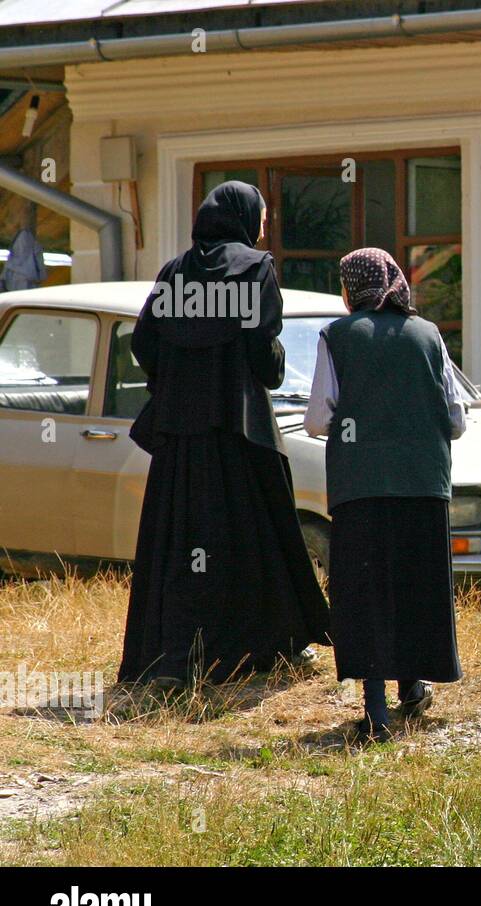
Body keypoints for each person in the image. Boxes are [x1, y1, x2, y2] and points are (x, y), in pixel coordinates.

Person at [120, 181, 329, 687]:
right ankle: (259, 648)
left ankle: (175, 658)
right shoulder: (257, 269)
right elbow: (264, 351)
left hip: (180, 439)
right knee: (252, 540)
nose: (262, 225)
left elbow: (144, 342)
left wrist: (177, 379)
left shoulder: (174, 272)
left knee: (184, 543)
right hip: (239, 435)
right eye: (260, 216)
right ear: (245, 217)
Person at [305, 248, 467, 742]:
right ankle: (412, 689)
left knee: (367, 590)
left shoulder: (337, 335)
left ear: (350, 290)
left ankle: (376, 712)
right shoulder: (428, 334)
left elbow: (316, 420)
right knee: (415, 586)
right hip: (423, 483)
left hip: (361, 487)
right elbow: (456, 421)